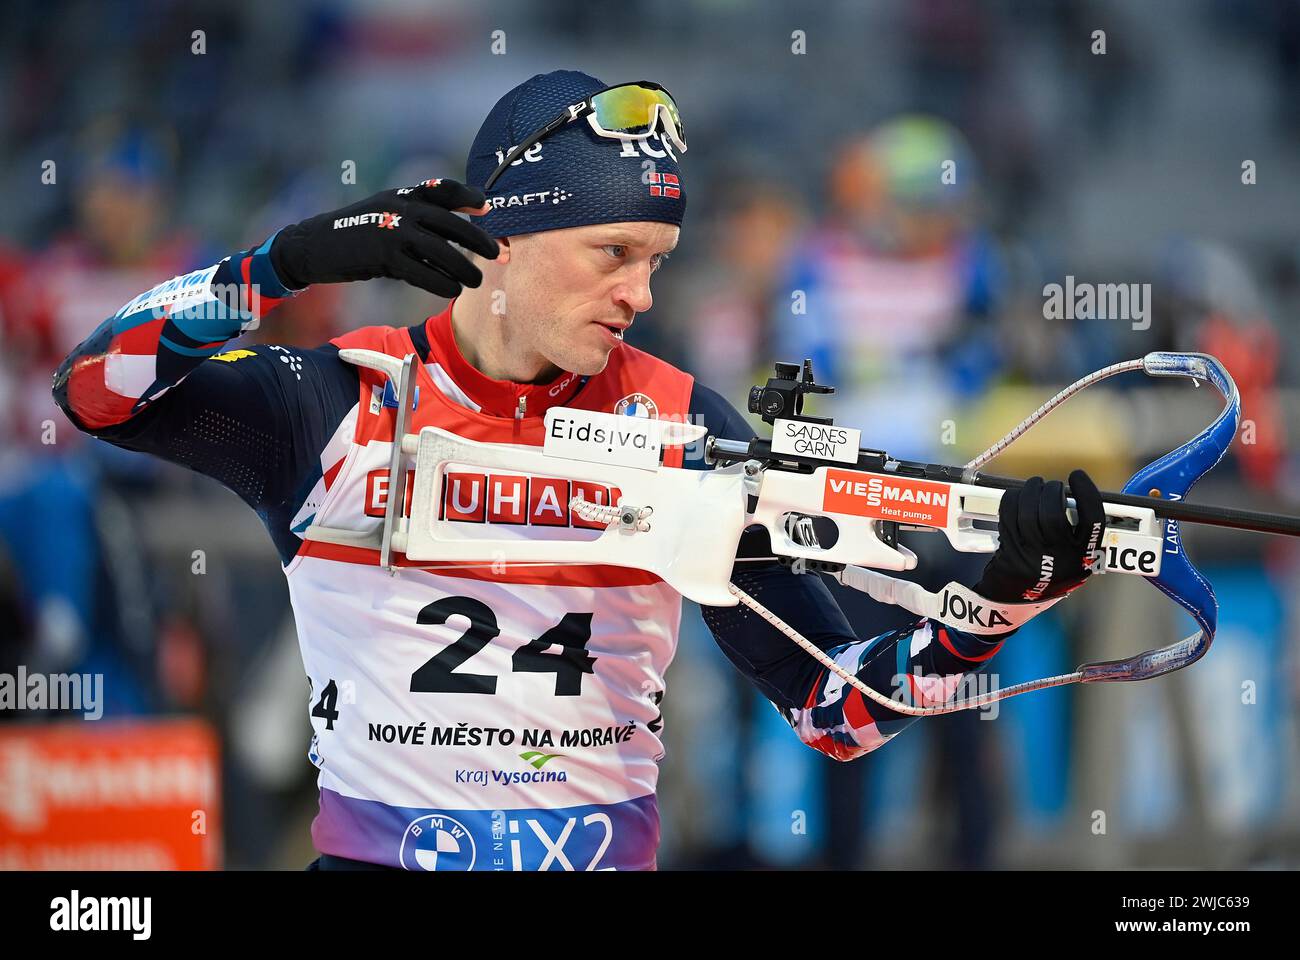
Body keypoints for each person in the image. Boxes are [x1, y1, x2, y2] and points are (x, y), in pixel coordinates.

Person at [51, 70, 1105, 871]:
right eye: (614, 253)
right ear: (501, 235)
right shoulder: (330, 399)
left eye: (657, 259)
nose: (641, 292)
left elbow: (837, 714)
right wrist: (279, 267)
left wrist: (997, 600)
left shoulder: (685, 418)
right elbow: (91, 390)